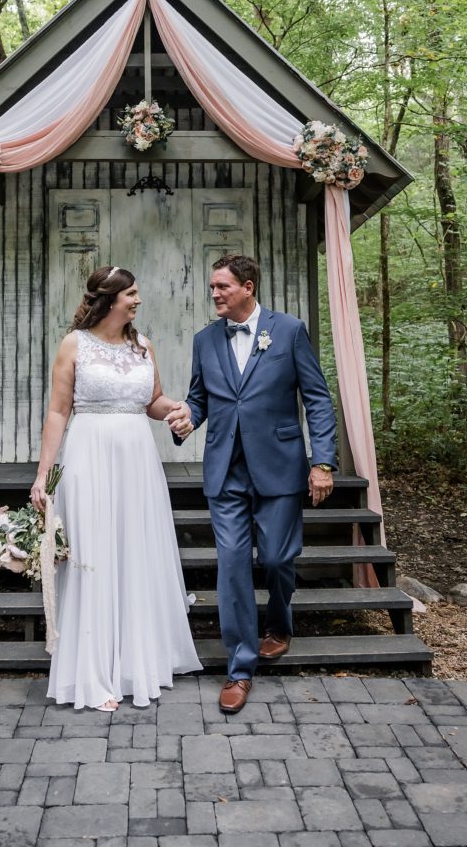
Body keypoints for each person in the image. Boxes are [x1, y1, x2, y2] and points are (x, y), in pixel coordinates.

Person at [167, 254, 336, 715]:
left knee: (280, 557)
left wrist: (322, 462)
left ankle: (279, 626)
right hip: (226, 471)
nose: (215, 294)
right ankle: (239, 669)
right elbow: (200, 397)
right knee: (233, 564)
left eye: (222, 286)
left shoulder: (288, 330)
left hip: (280, 466)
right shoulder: (204, 340)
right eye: (212, 287)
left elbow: (317, 399)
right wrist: (185, 419)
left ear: (248, 286)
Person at [31, 265, 202, 711]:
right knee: (95, 557)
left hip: (138, 464)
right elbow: (57, 413)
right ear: (109, 299)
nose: (138, 300)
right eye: (132, 293)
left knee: (133, 554)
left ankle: (134, 664)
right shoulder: (74, 345)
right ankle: (92, 675)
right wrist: (43, 476)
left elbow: (152, 401)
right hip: (89, 457)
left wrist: (177, 410)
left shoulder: (143, 346)